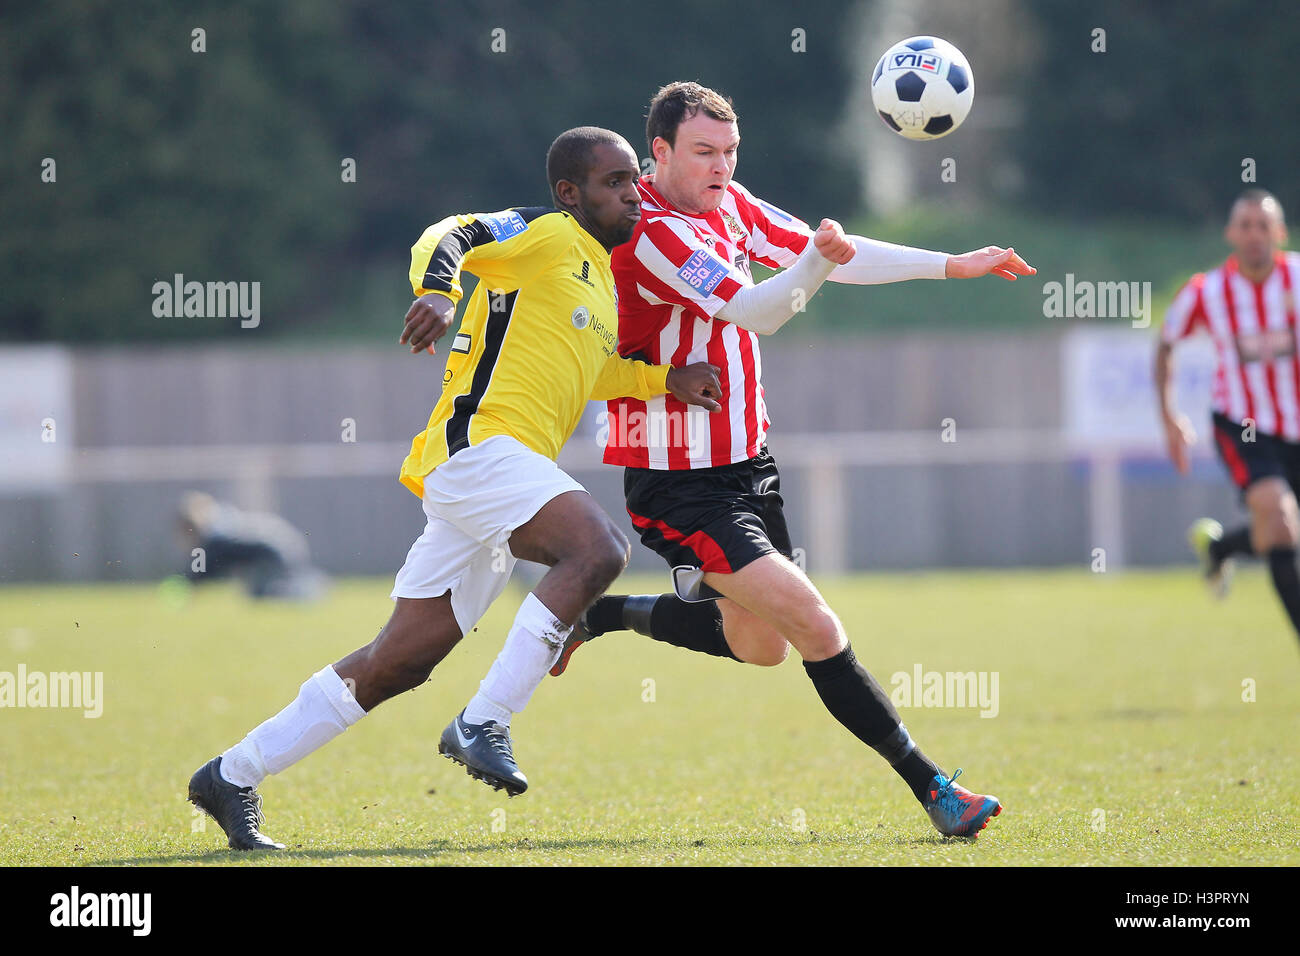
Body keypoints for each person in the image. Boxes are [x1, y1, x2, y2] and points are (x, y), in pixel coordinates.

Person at [185, 126, 722, 850]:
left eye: (634, 181)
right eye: (614, 181)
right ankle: (486, 719)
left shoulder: (597, 274)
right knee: (598, 550)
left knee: (397, 663)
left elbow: (592, 374)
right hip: (478, 451)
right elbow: (451, 233)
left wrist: (665, 381)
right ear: (571, 192)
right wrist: (438, 291)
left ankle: (230, 775)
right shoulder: (546, 232)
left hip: (496, 477)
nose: (632, 193)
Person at [554, 82, 1037, 839]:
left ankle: (604, 615)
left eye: (730, 151)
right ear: (660, 152)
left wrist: (950, 264)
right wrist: (816, 263)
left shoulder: (733, 203)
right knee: (815, 623)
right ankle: (937, 790)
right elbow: (758, 308)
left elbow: (831, 259)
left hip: (748, 465)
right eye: (704, 152)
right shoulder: (650, 230)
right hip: (679, 484)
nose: (721, 165)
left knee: (762, 645)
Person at [1159, 188, 1300, 644]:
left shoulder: (1298, 278)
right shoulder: (1208, 291)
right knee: (1279, 520)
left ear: (1279, 232)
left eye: (1264, 226)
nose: (1255, 234)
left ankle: (1221, 547)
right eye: (1246, 225)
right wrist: (1170, 418)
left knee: (1278, 532)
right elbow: (1165, 345)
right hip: (1243, 424)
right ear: (1231, 233)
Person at [175, 491, 328, 600]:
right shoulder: (224, 519)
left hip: (276, 555)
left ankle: (309, 589)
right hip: (287, 545)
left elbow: (202, 570)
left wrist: (185, 585)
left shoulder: (217, 537)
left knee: (263, 595)